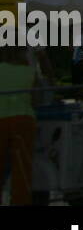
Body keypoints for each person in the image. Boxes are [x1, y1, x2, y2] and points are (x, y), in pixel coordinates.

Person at [0, 44, 37, 206]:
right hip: (23, 120)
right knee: (22, 169)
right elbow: (36, 99)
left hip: (1, 119)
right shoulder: (29, 72)